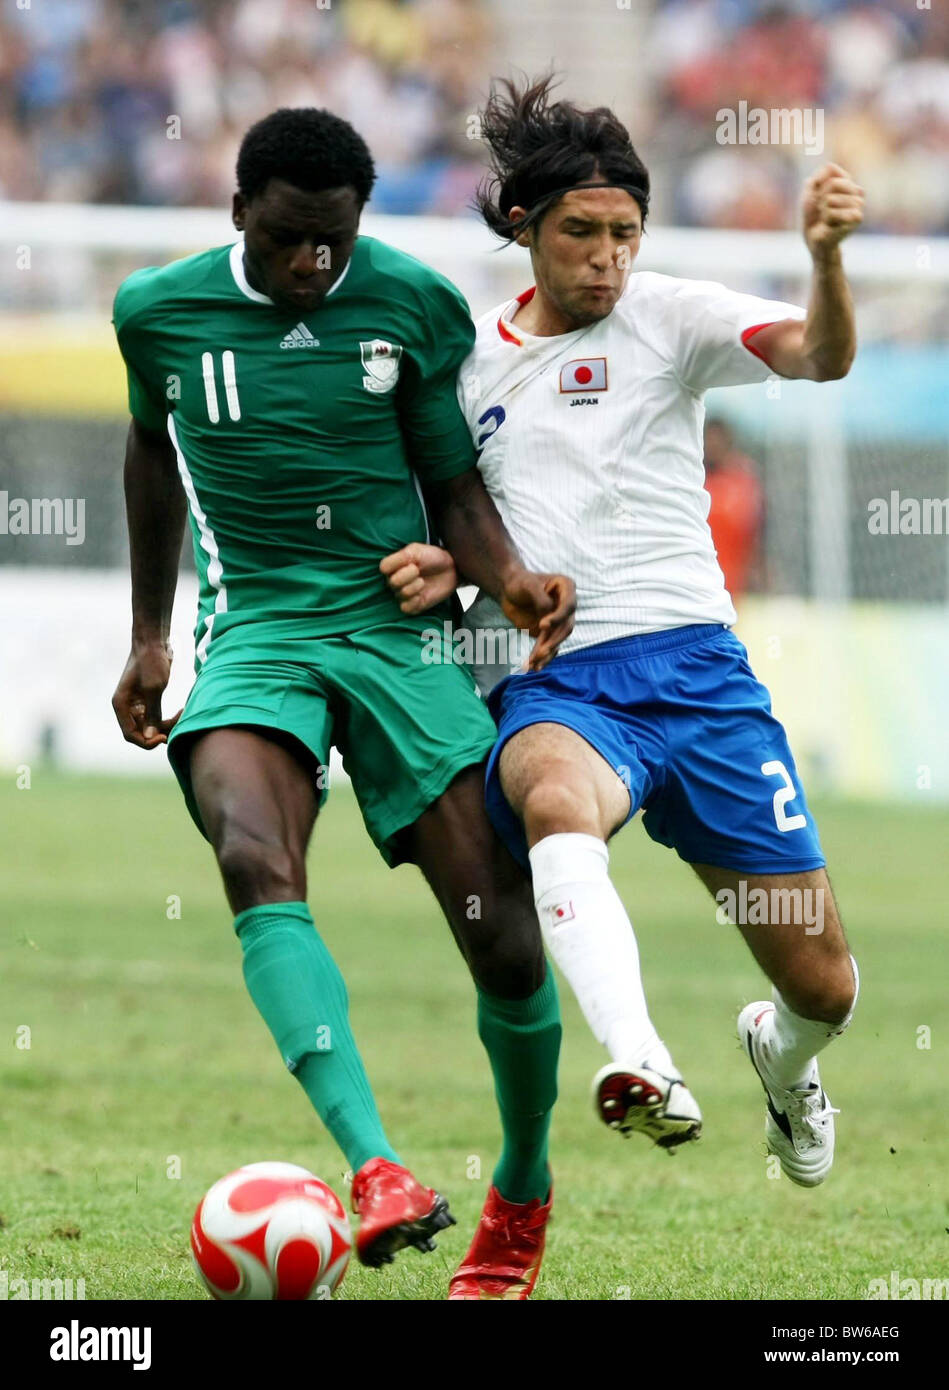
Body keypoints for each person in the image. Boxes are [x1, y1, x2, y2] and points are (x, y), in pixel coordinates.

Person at [383, 77, 864, 1292]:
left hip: (700, 675)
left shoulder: (671, 316)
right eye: (581, 234)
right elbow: (461, 532)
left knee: (824, 987)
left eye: (624, 234)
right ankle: (643, 1060)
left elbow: (817, 357)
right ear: (525, 229)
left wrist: (823, 261)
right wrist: (456, 570)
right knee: (549, 793)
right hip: (568, 681)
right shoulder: (465, 373)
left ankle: (780, 1061)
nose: (607, 259)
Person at [110, 106, 574, 1284]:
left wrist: (501, 576)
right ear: (238, 216)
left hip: (397, 634)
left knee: (505, 940)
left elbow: (450, 477)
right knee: (250, 855)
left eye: (334, 241)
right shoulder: (157, 314)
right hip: (258, 626)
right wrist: (151, 636)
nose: (313, 265)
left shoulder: (412, 303)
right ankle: (375, 1167)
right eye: (286, 242)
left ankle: (521, 1181)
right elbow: (150, 449)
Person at [703, 417, 764, 602]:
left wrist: (759, 565)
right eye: (709, 439)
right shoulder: (693, 479)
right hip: (698, 574)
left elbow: (757, 526)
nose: (713, 445)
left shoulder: (743, 480)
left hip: (734, 577)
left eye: (718, 439)